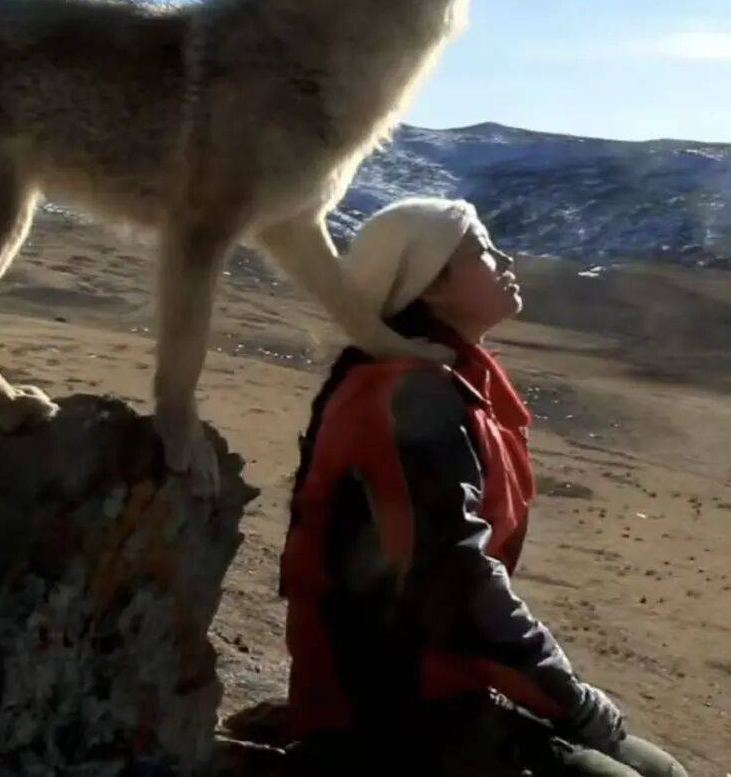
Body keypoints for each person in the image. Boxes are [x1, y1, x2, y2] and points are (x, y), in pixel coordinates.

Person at [279, 197, 687, 776]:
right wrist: (572, 702)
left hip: (440, 683)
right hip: (393, 709)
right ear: (430, 285)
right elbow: (454, 580)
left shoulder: (445, 383)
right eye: (482, 250)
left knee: (659, 768)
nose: (505, 259)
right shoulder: (406, 398)